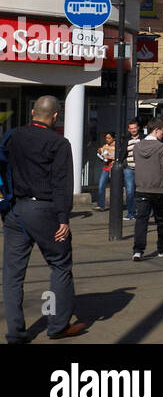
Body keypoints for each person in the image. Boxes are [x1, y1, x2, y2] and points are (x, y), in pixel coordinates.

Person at [2, 95, 87, 342]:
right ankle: (57, 325)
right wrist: (64, 218)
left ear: (32, 113)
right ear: (56, 116)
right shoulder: (58, 143)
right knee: (59, 264)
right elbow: (62, 182)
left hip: (15, 210)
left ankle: (15, 333)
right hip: (44, 211)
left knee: (12, 274)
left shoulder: (13, 136)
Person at [131, 119, 163, 262]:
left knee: (141, 220)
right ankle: (162, 248)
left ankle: (138, 250)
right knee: (161, 220)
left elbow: (135, 164)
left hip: (141, 188)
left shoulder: (137, 146)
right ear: (156, 130)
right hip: (158, 189)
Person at [123, 118, 143, 213]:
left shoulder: (143, 139)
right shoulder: (126, 140)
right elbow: (122, 153)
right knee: (130, 191)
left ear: (138, 128)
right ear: (128, 129)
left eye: (135, 128)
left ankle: (142, 210)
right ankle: (131, 212)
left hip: (141, 169)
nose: (133, 130)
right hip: (129, 169)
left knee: (142, 191)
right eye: (131, 128)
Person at [95, 132, 115, 210]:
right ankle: (101, 205)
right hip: (106, 167)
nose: (107, 140)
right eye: (106, 138)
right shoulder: (105, 146)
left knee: (114, 187)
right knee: (101, 185)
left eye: (109, 138)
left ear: (113, 138)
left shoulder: (117, 147)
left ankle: (115, 204)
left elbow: (119, 157)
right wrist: (100, 152)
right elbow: (101, 152)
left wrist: (110, 157)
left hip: (113, 168)